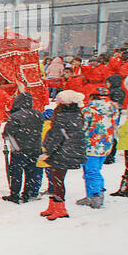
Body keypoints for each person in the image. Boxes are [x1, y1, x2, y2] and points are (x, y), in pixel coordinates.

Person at [37, 92, 87, 220]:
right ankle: (54, 206)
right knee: (57, 179)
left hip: (61, 152)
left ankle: (60, 207)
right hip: (70, 150)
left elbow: (56, 136)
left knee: (57, 180)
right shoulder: (77, 114)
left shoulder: (62, 116)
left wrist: (47, 151)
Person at [77, 87, 122, 208]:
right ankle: (97, 193)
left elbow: (83, 127)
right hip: (106, 144)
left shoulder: (88, 110)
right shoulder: (113, 109)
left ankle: (94, 196)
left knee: (91, 171)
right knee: (96, 170)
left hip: (90, 144)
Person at [0, 92, 43, 204]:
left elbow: (8, 133)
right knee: (31, 172)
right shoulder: (38, 114)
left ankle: (15, 194)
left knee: (16, 173)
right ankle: (27, 193)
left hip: (19, 149)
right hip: (35, 149)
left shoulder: (15, 116)